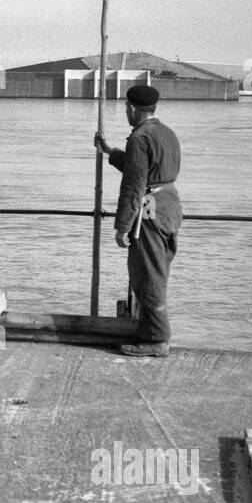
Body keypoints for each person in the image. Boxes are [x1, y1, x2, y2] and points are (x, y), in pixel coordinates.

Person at [94, 83, 182, 357]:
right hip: (169, 206)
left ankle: (156, 340)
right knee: (157, 271)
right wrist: (111, 152)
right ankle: (150, 332)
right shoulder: (167, 134)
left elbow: (134, 184)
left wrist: (122, 226)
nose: (124, 111)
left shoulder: (141, 138)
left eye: (125, 107)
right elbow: (146, 170)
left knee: (148, 277)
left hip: (149, 211)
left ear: (133, 108)